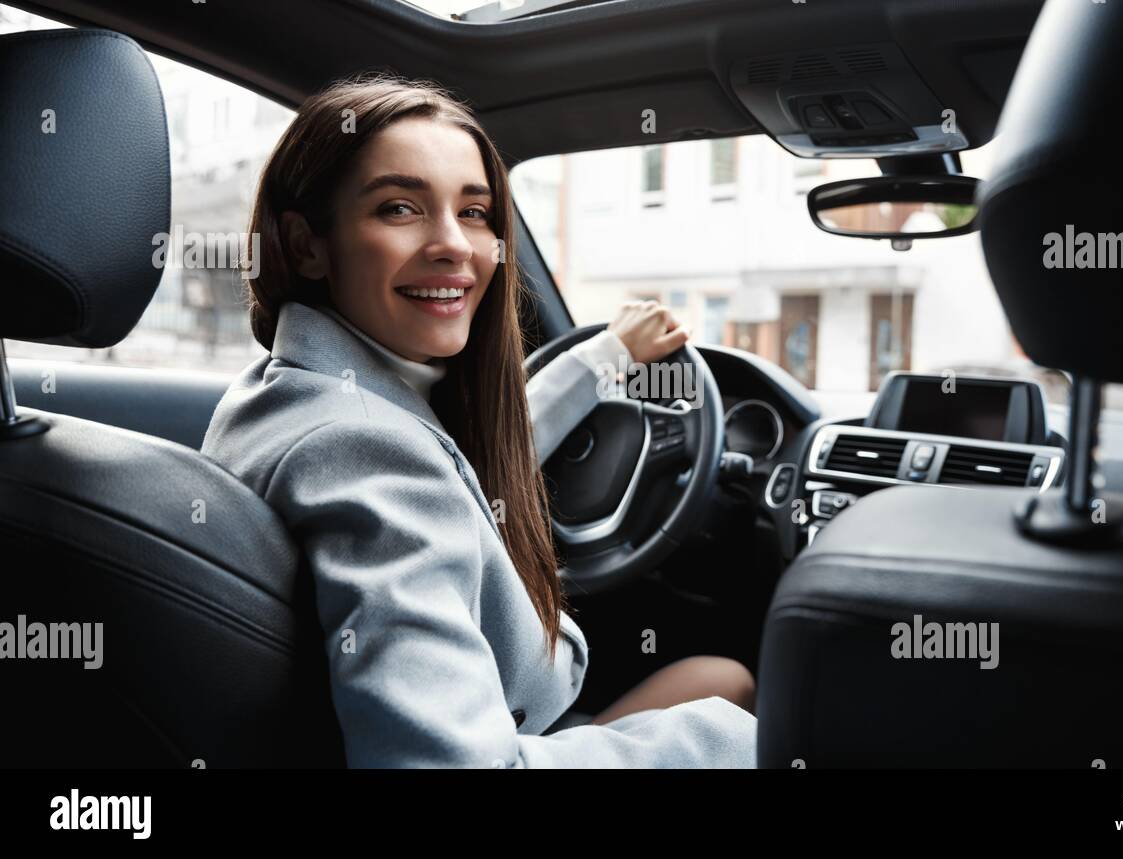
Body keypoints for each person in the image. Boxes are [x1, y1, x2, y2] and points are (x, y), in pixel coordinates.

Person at [201, 71, 757, 767]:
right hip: (510, 733)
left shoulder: (288, 391)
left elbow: (487, 448)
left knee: (720, 680)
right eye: (400, 208)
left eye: (473, 212)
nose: (455, 246)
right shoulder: (368, 452)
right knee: (737, 708)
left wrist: (611, 354)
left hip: (500, 711)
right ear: (307, 243)